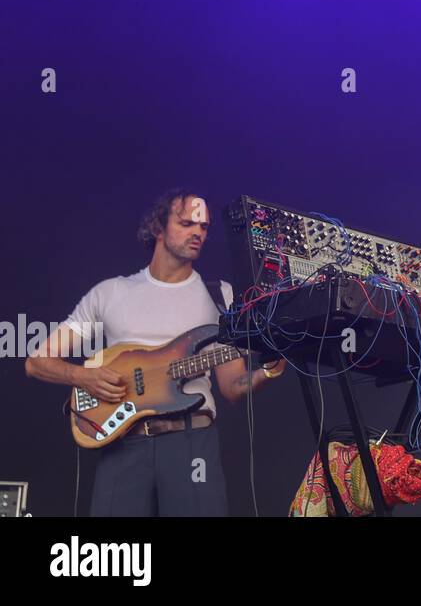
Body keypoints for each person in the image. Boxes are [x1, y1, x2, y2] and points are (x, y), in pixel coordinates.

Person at [26, 188, 285, 515]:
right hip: (123, 443)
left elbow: (232, 387)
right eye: (186, 223)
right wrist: (82, 376)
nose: (198, 233)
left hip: (192, 443)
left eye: (203, 227)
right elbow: (37, 362)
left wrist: (270, 370)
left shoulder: (220, 297)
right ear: (157, 228)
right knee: (114, 560)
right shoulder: (111, 293)